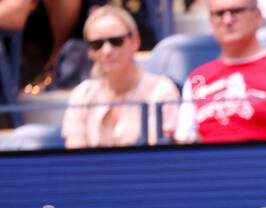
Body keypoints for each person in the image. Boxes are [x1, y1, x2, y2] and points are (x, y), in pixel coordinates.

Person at [174, 0, 266, 143]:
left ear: (257, 16)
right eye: (219, 14)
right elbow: (183, 146)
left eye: (236, 11)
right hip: (207, 163)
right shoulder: (198, 77)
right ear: (211, 21)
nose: (227, 20)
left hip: (263, 163)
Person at [61, 5, 179, 147]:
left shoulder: (161, 90)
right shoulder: (82, 95)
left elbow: (152, 156)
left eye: (116, 41)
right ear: (90, 52)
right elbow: (75, 159)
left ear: (135, 41)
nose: (107, 50)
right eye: (97, 44)